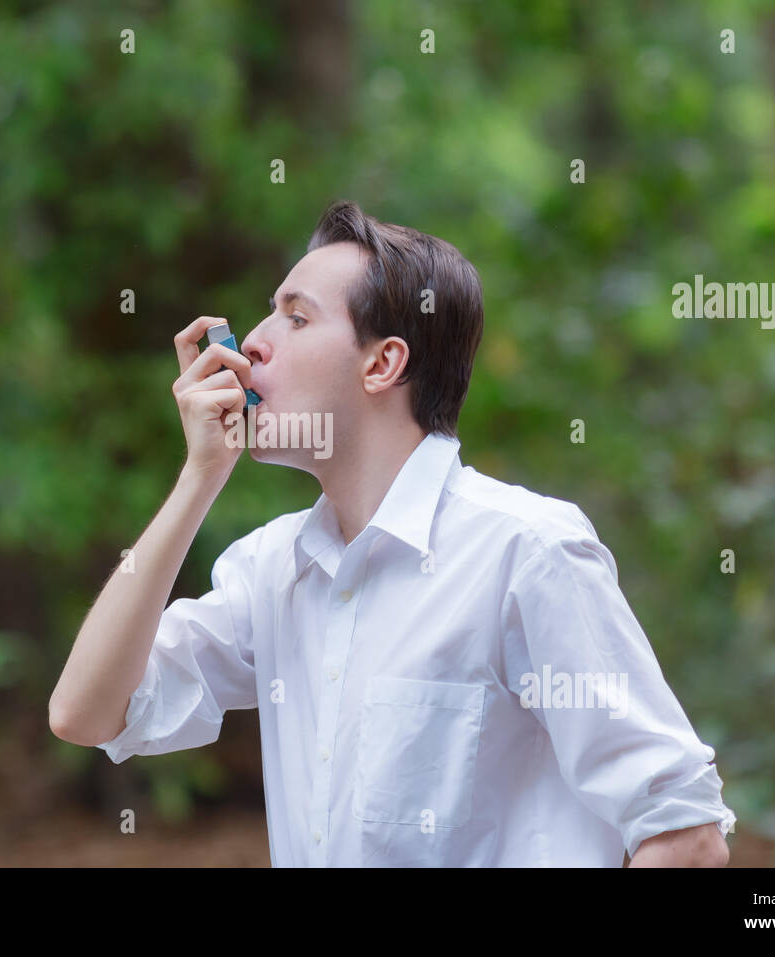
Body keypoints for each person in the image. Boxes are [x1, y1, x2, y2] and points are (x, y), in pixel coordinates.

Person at [48, 200, 735, 867]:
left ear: (382, 364)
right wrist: (199, 478)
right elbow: (87, 712)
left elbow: (686, 832)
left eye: (295, 316)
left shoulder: (525, 552)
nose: (252, 340)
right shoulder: (271, 570)